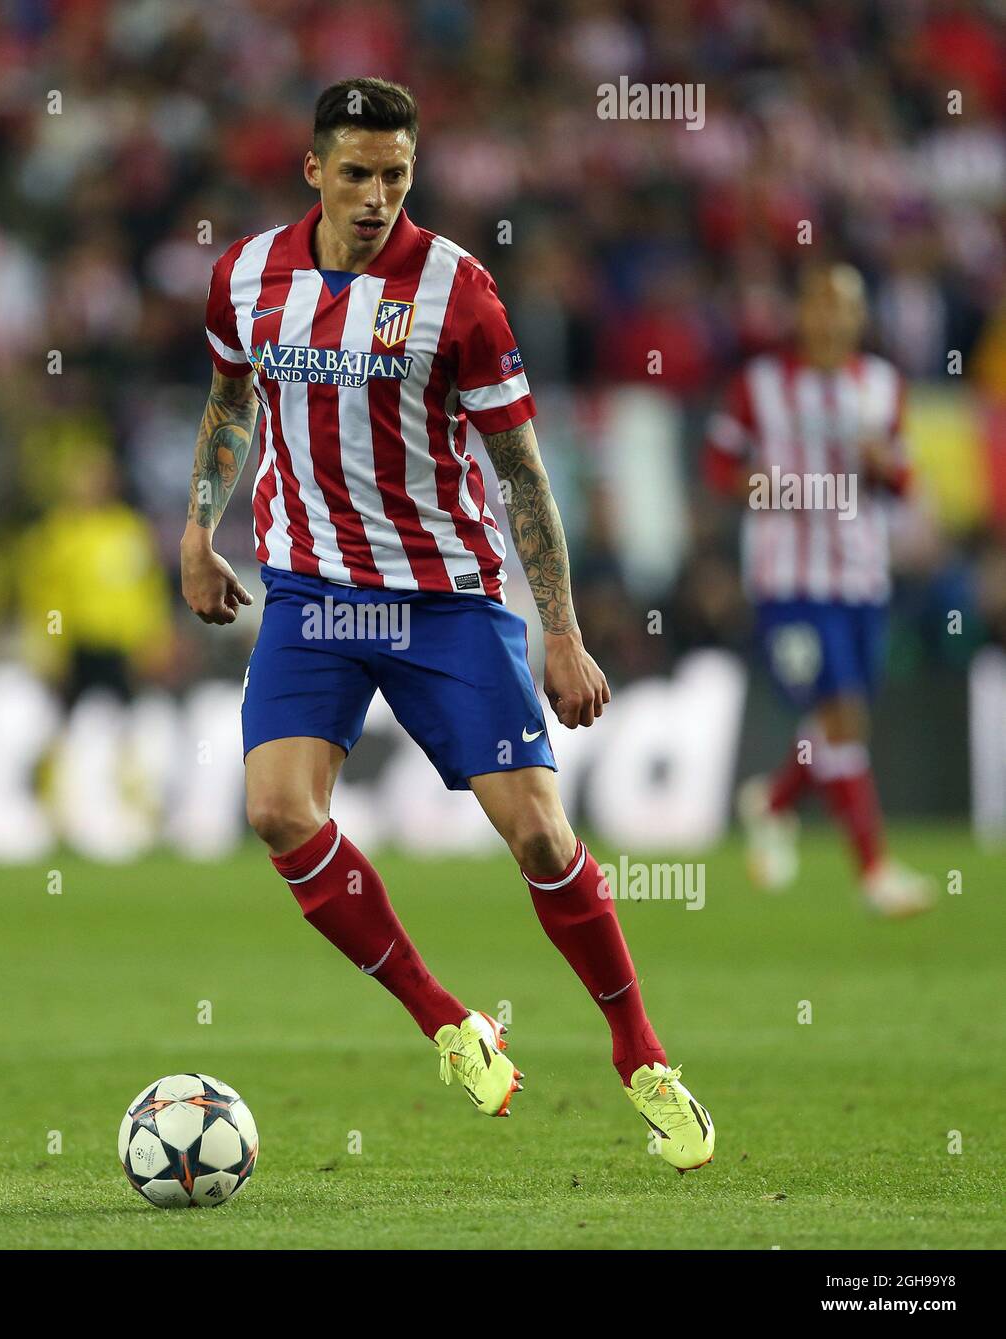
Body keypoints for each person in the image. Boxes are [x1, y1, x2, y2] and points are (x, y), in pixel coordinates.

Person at [181, 77, 713, 1172]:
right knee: (278, 813)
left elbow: (521, 471)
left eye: (397, 176)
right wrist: (198, 529)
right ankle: (447, 1023)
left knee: (538, 835)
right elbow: (233, 400)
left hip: (443, 598)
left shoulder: (457, 291)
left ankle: (641, 1055)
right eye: (358, 173)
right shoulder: (242, 278)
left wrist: (558, 628)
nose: (377, 196)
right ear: (313, 169)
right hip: (310, 596)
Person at [705, 263, 934, 917]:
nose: (831, 318)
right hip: (789, 581)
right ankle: (874, 870)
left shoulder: (884, 386)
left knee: (836, 719)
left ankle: (773, 802)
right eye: (820, 304)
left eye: (844, 307)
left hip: (863, 577)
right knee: (842, 715)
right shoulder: (762, 385)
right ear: (801, 313)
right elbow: (720, 463)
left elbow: (905, 478)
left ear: (861, 318)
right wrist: (757, 485)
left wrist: (889, 466)